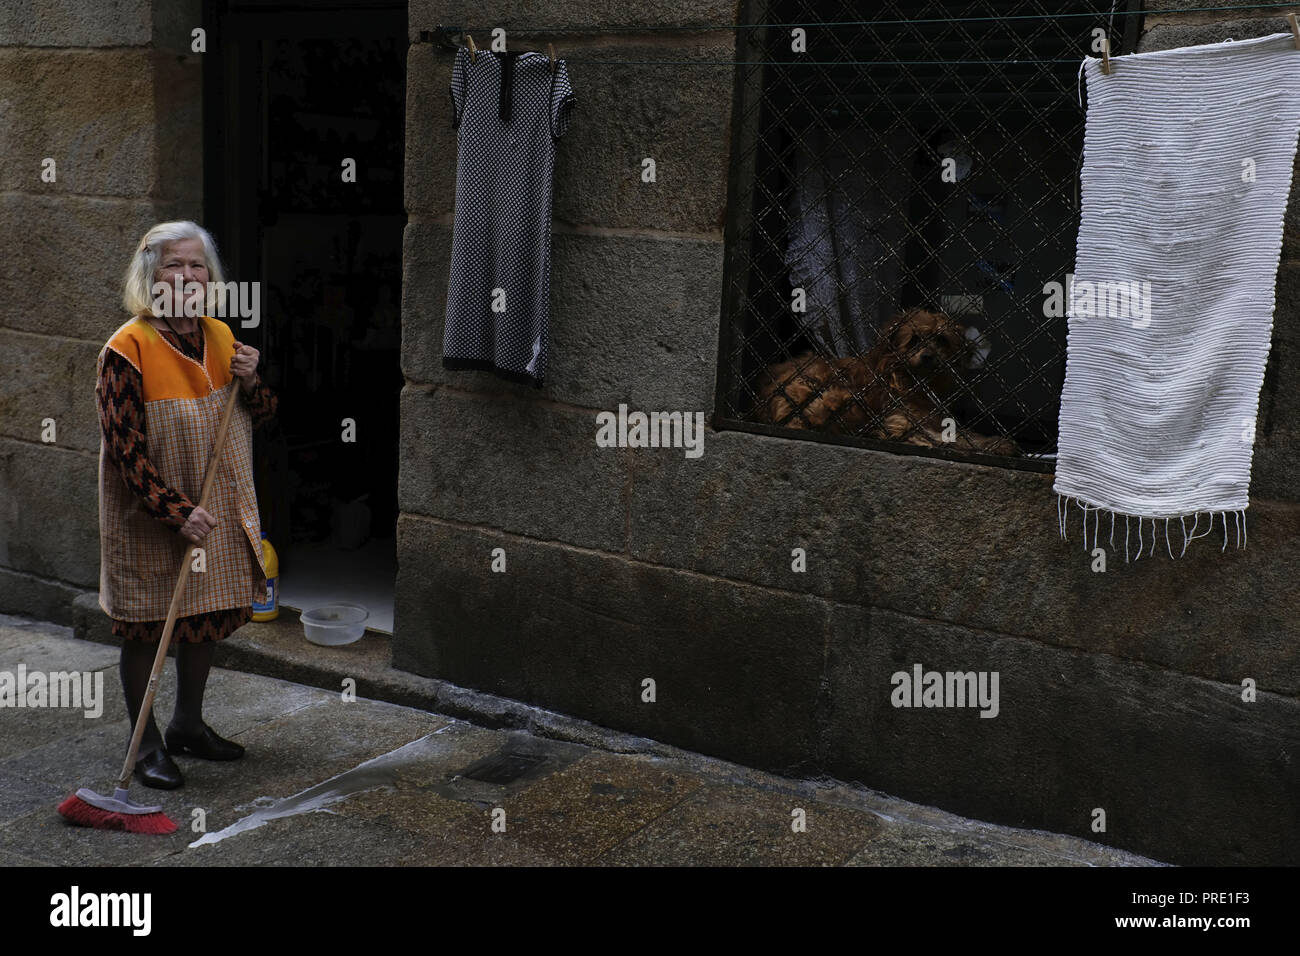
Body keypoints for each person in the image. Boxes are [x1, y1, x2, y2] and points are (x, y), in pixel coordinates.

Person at [96, 220, 278, 789]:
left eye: (197, 264)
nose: (188, 274)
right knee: (146, 628)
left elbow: (265, 414)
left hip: (216, 509)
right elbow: (125, 451)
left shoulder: (223, 338)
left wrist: (251, 383)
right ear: (152, 275)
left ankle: (188, 726)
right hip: (154, 519)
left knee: (202, 621)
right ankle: (145, 743)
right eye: (175, 264)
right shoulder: (127, 348)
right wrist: (176, 512)